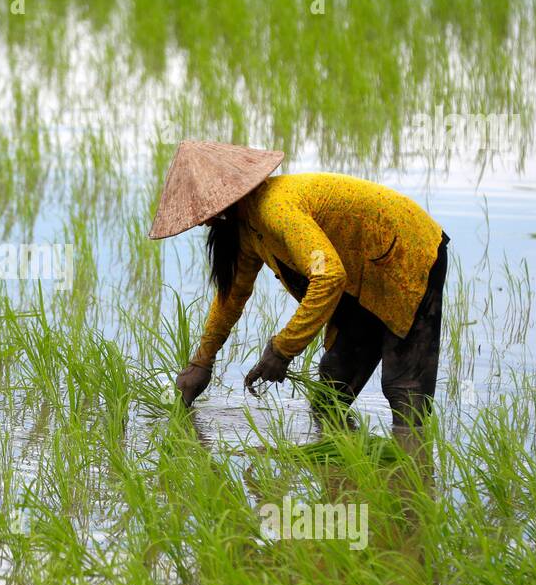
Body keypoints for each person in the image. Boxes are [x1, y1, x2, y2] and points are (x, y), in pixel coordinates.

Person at [150, 141, 450, 453]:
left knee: (404, 389)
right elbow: (232, 297)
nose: (203, 220)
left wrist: (282, 349)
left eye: (205, 209)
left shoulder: (275, 208)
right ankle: (343, 479)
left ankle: (413, 481)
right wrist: (202, 362)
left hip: (406, 251)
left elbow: (328, 274)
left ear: (226, 193)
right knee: (332, 394)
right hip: (360, 272)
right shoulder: (248, 227)